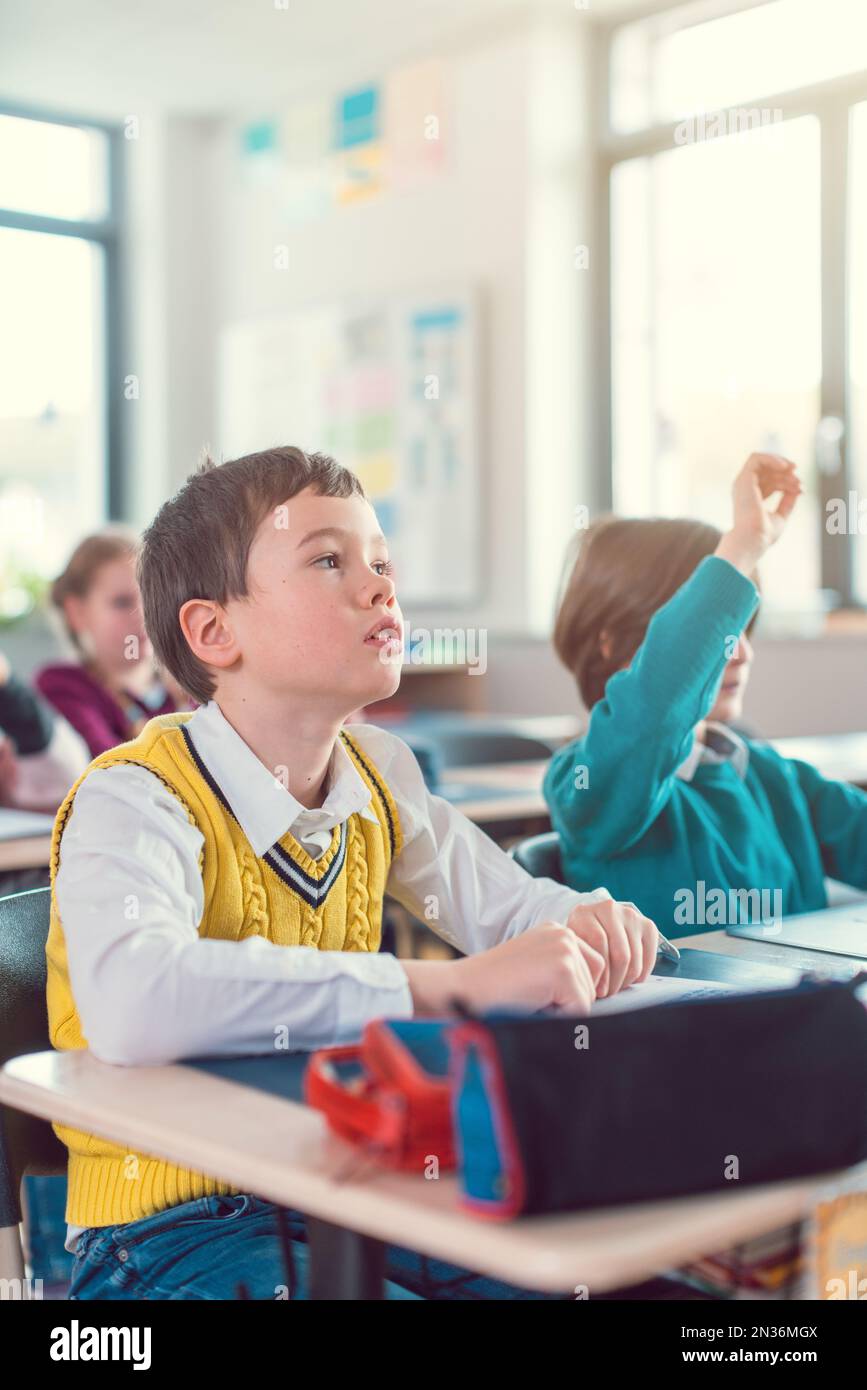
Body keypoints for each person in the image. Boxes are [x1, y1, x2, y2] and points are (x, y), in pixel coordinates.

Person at [47, 445, 658, 1301]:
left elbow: (511, 908)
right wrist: (441, 990)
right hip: (172, 1232)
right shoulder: (133, 796)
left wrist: (590, 919)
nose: (379, 588)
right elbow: (135, 1001)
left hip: (349, 1187)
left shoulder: (377, 773)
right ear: (213, 631)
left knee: (632, 1281)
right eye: (329, 561)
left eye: (381, 562)